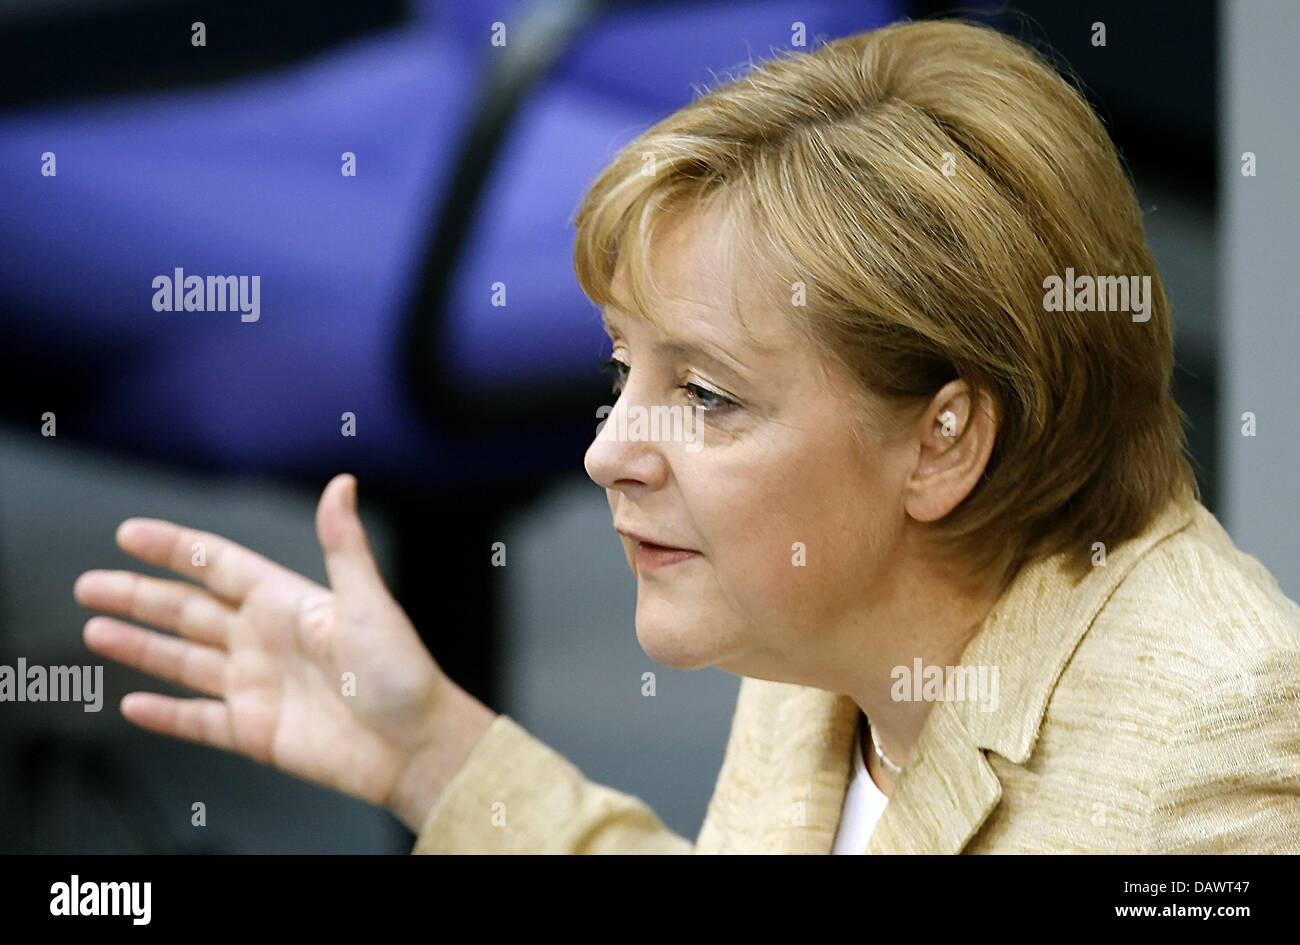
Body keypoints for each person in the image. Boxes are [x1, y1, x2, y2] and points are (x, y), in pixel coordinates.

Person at [75, 18, 1300, 853]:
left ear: (942, 441)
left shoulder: (1213, 750)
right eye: (624, 368)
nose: (609, 453)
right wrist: (437, 758)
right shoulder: (826, 613)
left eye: (707, 395)